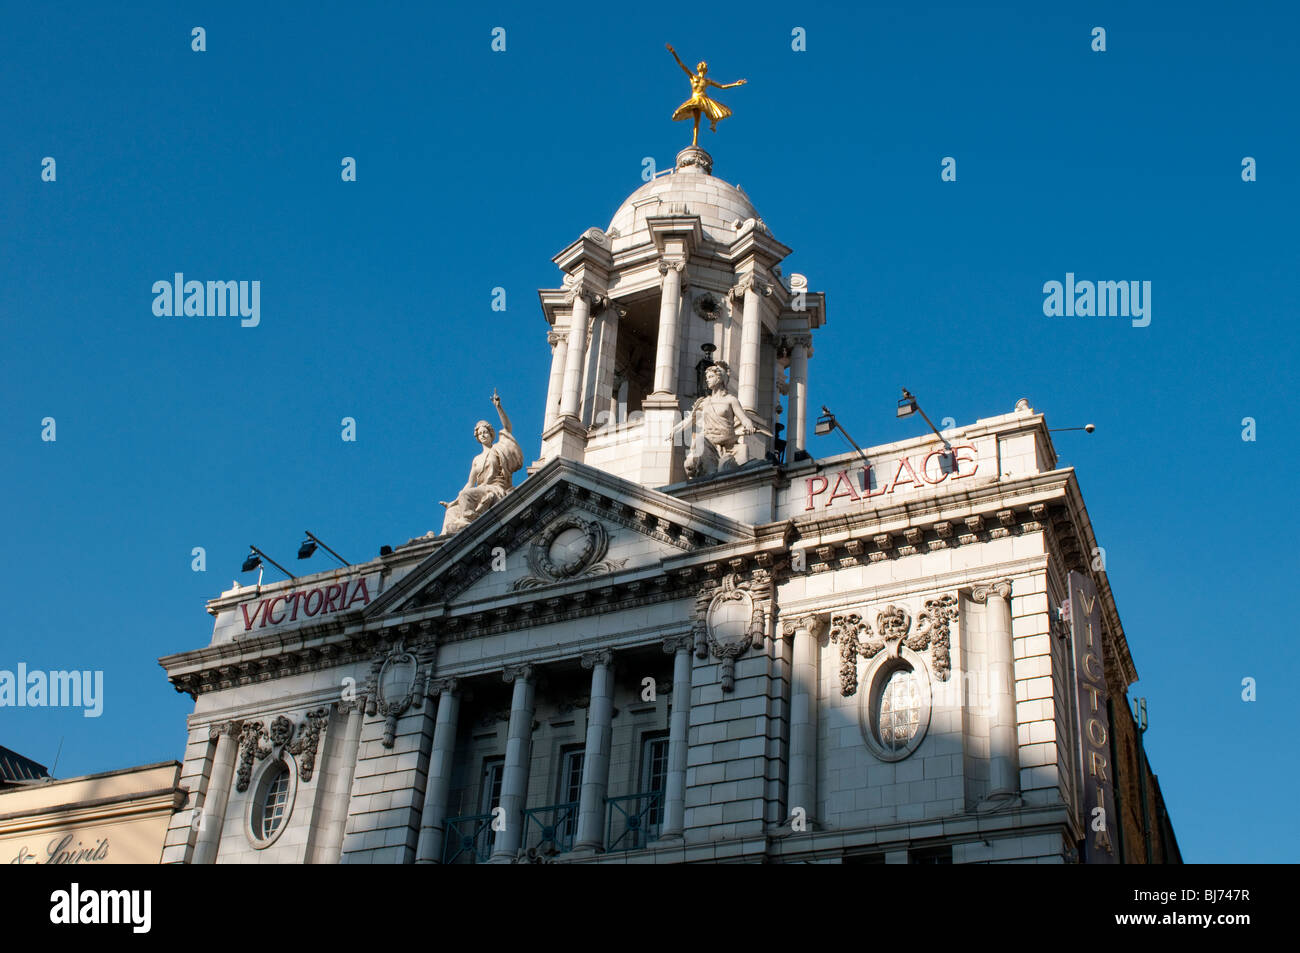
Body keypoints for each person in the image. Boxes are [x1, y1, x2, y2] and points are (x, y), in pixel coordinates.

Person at [438, 390, 523, 535]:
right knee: (452, 510)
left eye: (485, 432)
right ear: (477, 437)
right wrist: (454, 501)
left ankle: (466, 523)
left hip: (495, 489)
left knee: (467, 496)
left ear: (491, 434)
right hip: (480, 490)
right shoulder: (476, 459)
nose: (483, 435)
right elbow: (470, 484)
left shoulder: (498, 448)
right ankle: (446, 536)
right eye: (480, 433)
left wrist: (498, 407)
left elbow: (507, 428)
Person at [668, 363, 756, 479]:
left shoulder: (731, 400)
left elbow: (744, 419)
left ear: (719, 378)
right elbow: (690, 420)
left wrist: (749, 425)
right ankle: (701, 469)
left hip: (728, 445)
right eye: (707, 378)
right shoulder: (704, 402)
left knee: (728, 463)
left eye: (710, 377)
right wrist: (675, 430)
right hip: (709, 443)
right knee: (699, 440)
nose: (707, 381)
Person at [666, 44, 747, 147]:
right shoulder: (692, 76)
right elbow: (682, 65)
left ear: (705, 70)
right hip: (695, 99)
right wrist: (673, 52)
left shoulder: (707, 81)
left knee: (715, 111)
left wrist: (735, 84)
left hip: (703, 99)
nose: (702, 67)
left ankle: (713, 124)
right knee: (696, 122)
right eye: (701, 65)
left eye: (704, 66)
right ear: (698, 68)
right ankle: (695, 140)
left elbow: (722, 86)